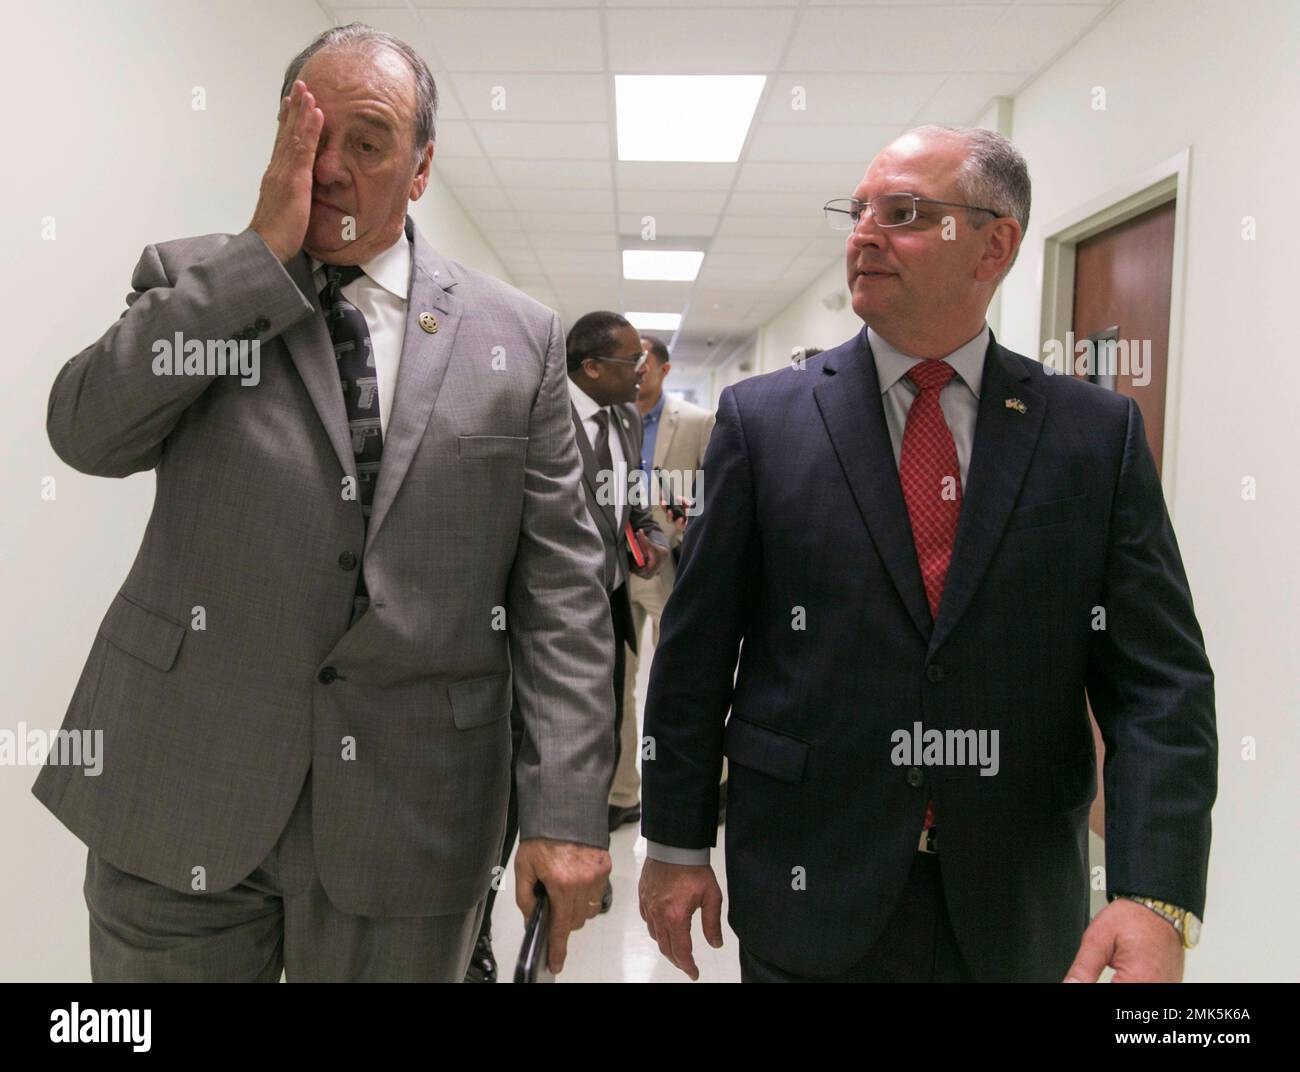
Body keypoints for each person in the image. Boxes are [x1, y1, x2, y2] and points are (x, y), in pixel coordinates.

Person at [34, 22, 614, 982]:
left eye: (369, 141)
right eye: (309, 133)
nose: (331, 166)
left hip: (412, 815)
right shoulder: (195, 284)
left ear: (421, 169)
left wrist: (563, 811)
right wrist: (255, 265)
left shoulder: (520, 341)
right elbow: (87, 433)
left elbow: (562, 599)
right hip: (183, 783)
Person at [637, 125, 1217, 983]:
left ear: (995, 244)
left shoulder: (1094, 436)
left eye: (903, 213)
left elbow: (1158, 680)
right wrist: (677, 841)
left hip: (1015, 900)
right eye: (858, 211)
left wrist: (1155, 893)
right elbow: (696, 651)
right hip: (811, 879)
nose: (863, 235)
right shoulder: (765, 422)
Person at [465, 311, 667, 981]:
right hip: (533, 620)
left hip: (605, 608)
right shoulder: (534, 414)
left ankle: (582, 850)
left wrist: (648, 540)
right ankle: (478, 930)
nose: (644, 372)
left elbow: (629, 501)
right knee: (512, 768)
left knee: (599, 735)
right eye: (631, 361)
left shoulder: (625, 421)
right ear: (589, 369)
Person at [609, 334, 716, 832]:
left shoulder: (696, 422)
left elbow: (715, 491)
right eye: (628, 360)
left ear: (665, 370)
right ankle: (621, 792)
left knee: (683, 681)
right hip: (615, 569)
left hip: (673, 567)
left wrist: (688, 522)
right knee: (615, 682)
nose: (635, 368)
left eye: (643, 360)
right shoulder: (607, 419)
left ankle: (701, 787)